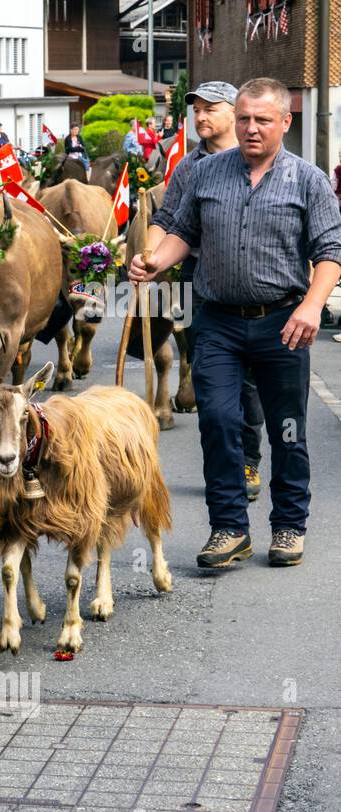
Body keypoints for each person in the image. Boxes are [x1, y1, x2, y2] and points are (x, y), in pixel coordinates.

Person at [130, 77, 341, 569]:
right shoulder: (205, 174)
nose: (250, 128)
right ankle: (229, 528)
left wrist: (311, 306)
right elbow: (182, 231)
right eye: (244, 118)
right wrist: (156, 261)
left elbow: (330, 253)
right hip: (219, 322)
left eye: (262, 120)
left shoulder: (307, 181)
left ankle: (289, 526)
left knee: (287, 430)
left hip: (284, 323)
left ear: (285, 122)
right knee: (219, 423)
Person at [151, 80, 266, 505]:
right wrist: (150, 254)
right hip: (200, 278)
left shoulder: (260, 159)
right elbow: (167, 219)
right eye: (195, 109)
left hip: (255, 280)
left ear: (234, 113)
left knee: (249, 384)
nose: (200, 116)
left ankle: (248, 459)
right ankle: (224, 463)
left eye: (210, 109)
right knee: (213, 379)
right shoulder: (187, 167)